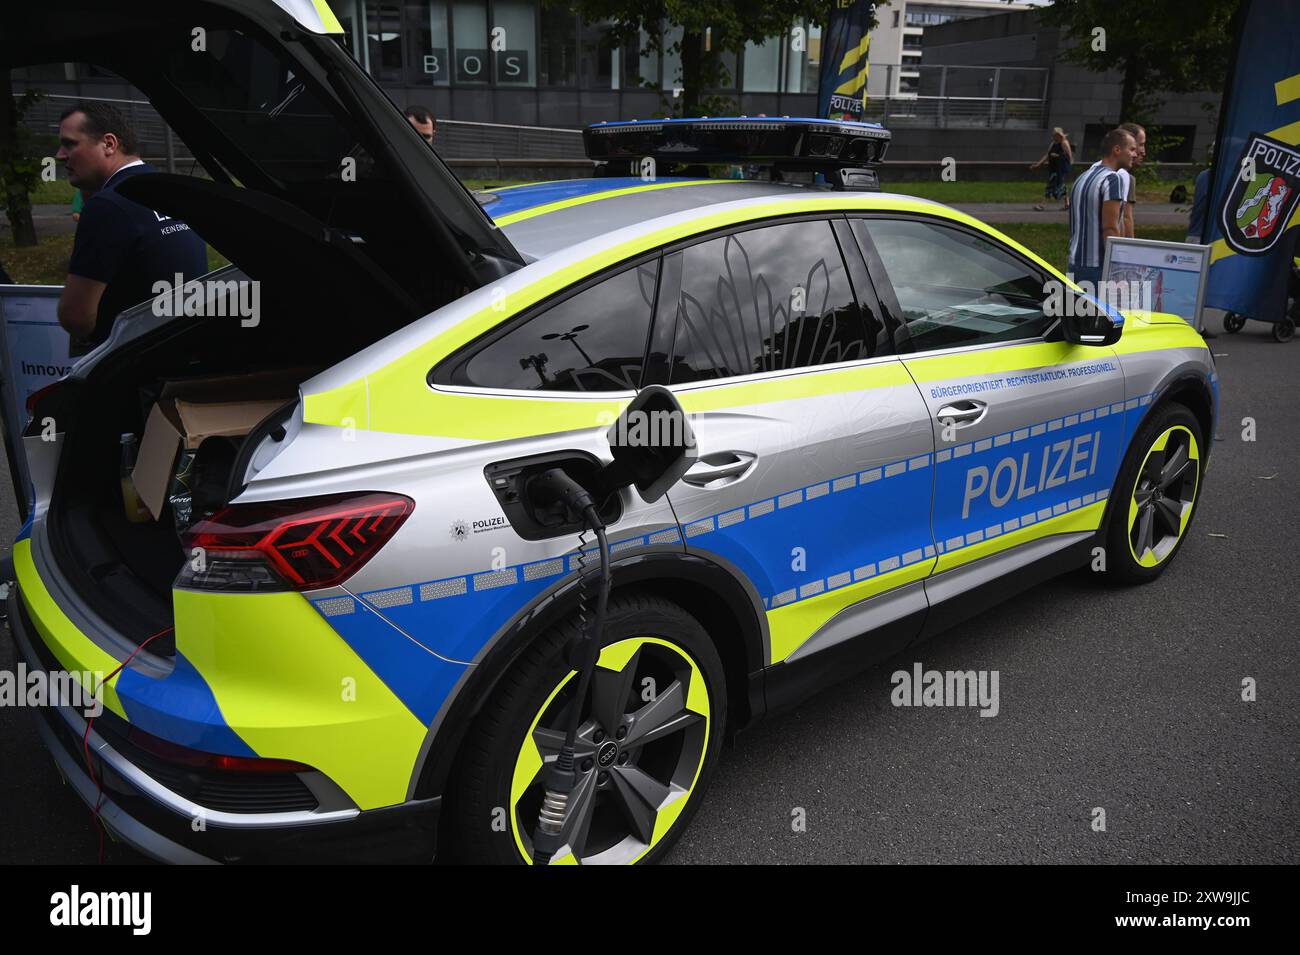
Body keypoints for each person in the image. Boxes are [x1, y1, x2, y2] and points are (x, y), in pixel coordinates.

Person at [55, 102, 208, 353]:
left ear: (109, 144)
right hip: (184, 348)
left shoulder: (109, 206)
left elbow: (76, 317)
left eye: (70, 144)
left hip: (133, 366)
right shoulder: (167, 186)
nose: (60, 155)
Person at [1068, 128, 1137, 288]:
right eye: (1132, 149)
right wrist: (1119, 266)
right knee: (1103, 313)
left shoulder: (1082, 177)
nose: (1135, 154)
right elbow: (1110, 228)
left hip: (1074, 262)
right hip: (1097, 267)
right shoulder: (1113, 180)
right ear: (1117, 150)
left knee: (1075, 311)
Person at [1029, 127, 1073, 211]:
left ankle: (1042, 205)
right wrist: (1038, 164)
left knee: (1051, 185)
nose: (1053, 137)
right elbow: (1047, 155)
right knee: (1061, 186)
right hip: (1053, 168)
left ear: (1059, 135)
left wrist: (1058, 156)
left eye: (1055, 135)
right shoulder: (1053, 143)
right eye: (1053, 135)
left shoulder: (1064, 143)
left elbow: (1069, 157)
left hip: (1060, 169)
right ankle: (1067, 204)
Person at [1117, 122, 1146, 238]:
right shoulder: (1125, 178)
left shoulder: (1096, 171)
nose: (1144, 151)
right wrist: (1129, 251)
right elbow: (1125, 218)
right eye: (1141, 145)